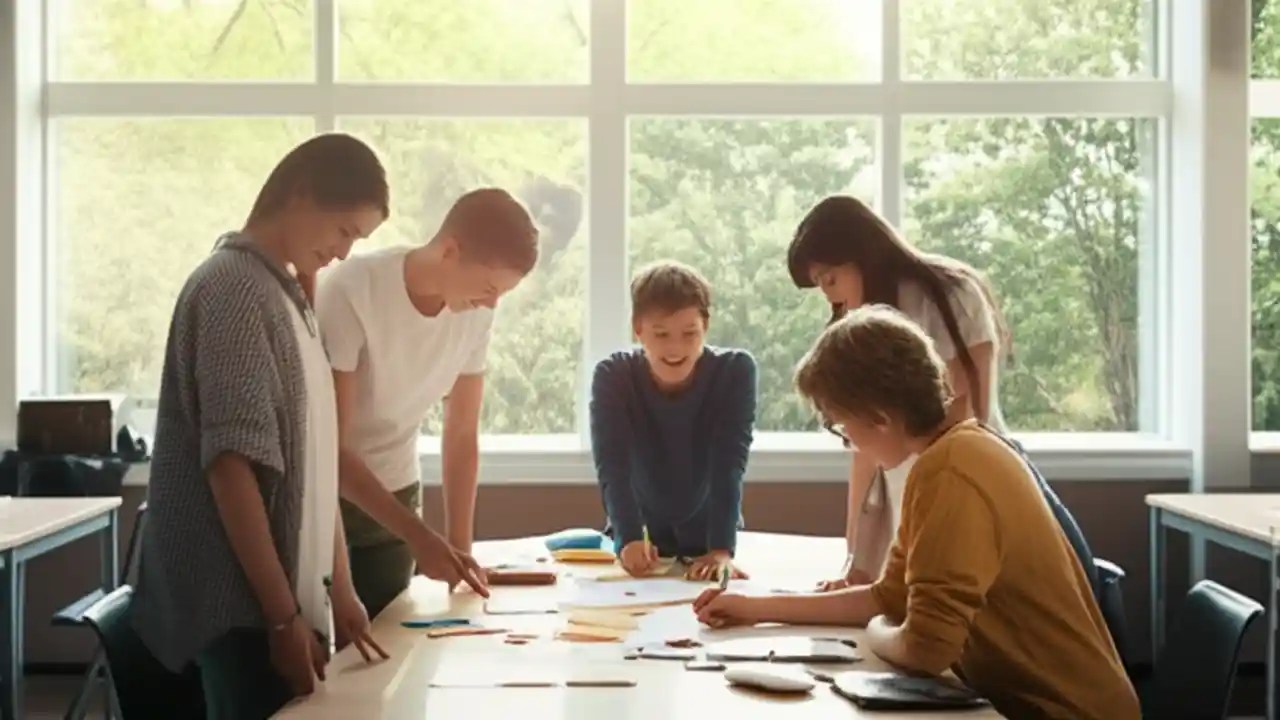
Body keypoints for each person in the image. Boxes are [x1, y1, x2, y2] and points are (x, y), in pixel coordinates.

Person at [694, 306, 1140, 720]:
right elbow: (889, 598)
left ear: (880, 417)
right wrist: (756, 608)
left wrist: (876, 631)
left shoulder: (950, 472)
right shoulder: (957, 450)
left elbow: (927, 649)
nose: (846, 439)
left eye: (839, 423)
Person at [133, 133, 393, 719]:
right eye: (345, 231)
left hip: (275, 603)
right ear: (301, 194)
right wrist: (281, 618)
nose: (345, 253)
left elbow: (314, 465)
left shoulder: (288, 293)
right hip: (238, 609)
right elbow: (232, 466)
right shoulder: (233, 288)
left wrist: (341, 588)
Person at [315, 188, 537, 619]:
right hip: (329, 499)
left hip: (398, 490)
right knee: (331, 658)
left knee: (387, 647)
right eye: (490, 287)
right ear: (450, 250)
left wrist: (460, 551)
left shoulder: (477, 312)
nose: (492, 304)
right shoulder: (352, 289)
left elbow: (460, 435)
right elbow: (333, 451)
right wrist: (421, 538)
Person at [786, 194, 1010, 589]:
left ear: (861, 255)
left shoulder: (953, 293)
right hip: (905, 486)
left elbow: (972, 409)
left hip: (968, 476)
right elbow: (862, 448)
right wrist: (855, 559)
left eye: (830, 279)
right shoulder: (858, 326)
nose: (830, 297)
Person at [590, 261, 757, 580]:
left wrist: (722, 549)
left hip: (710, 534)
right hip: (641, 537)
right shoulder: (613, 376)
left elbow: (729, 462)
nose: (675, 348)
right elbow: (613, 465)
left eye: (689, 333)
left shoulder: (735, 371)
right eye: (661, 333)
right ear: (638, 329)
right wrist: (628, 537)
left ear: (705, 326)